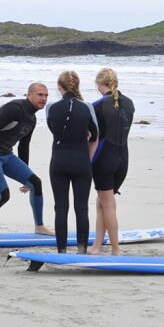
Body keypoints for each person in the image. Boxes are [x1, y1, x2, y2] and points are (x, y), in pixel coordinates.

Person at [46, 70, 98, 255]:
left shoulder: (51, 107)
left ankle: (61, 250)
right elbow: (94, 135)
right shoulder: (87, 107)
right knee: (81, 207)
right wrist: (88, 158)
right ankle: (82, 249)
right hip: (81, 161)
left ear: (59, 87)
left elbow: (53, 129)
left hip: (59, 161)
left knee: (60, 207)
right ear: (77, 86)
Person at [0, 82, 51, 234]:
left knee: (35, 183)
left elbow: (24, 146)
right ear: (29, 95)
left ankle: (39, 227)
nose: (43, 98)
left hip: (7, 155)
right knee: (3, 195)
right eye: (40, 95)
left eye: (46, 95)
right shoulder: (14, 109)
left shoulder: (32, 118)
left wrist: (25, 177)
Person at [89, 67, 134, 255]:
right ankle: (97, 246)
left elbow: (94, 138)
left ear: (100, 84)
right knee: (103, 202)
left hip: (104, 159)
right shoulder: (129, 103)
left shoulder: (97, 106)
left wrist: (88, 161)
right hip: (123, 158)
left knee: (107, 204)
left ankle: (116, 248)